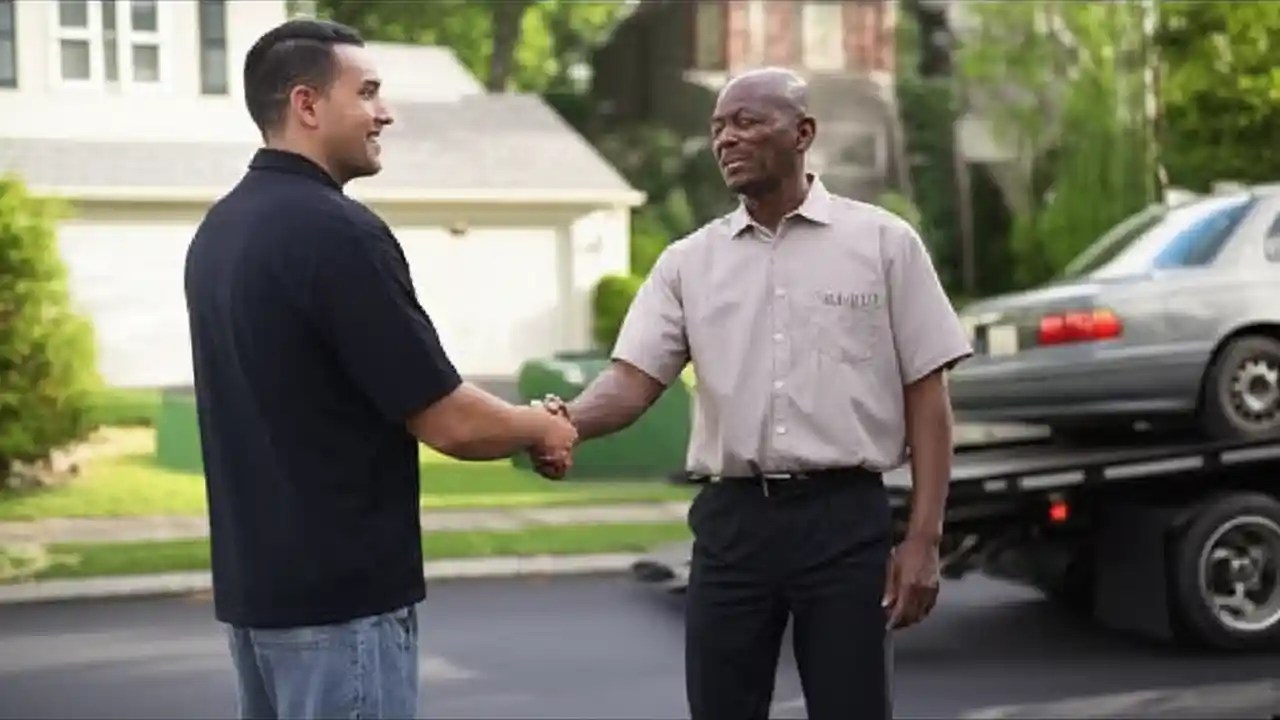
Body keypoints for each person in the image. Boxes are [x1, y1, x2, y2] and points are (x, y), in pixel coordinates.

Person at [533, 67, 972, 719]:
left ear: (803, 133)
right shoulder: (689, 262)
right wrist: (564, 423)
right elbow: (631, 380)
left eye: (746, 122)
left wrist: (925, 540)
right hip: (734, 523)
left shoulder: (883, 244)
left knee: (852, 707)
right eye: (717, 128)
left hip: (843, 520)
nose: (726, 140)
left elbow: (926, 396)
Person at [184, 18, 576, 720]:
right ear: (307, 105)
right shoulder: (337, 234)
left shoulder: (220, 231)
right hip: (341, 610)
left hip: (258, 602)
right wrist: (539, 425)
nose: (385, 112)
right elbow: (449, 420)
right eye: (366, 93)